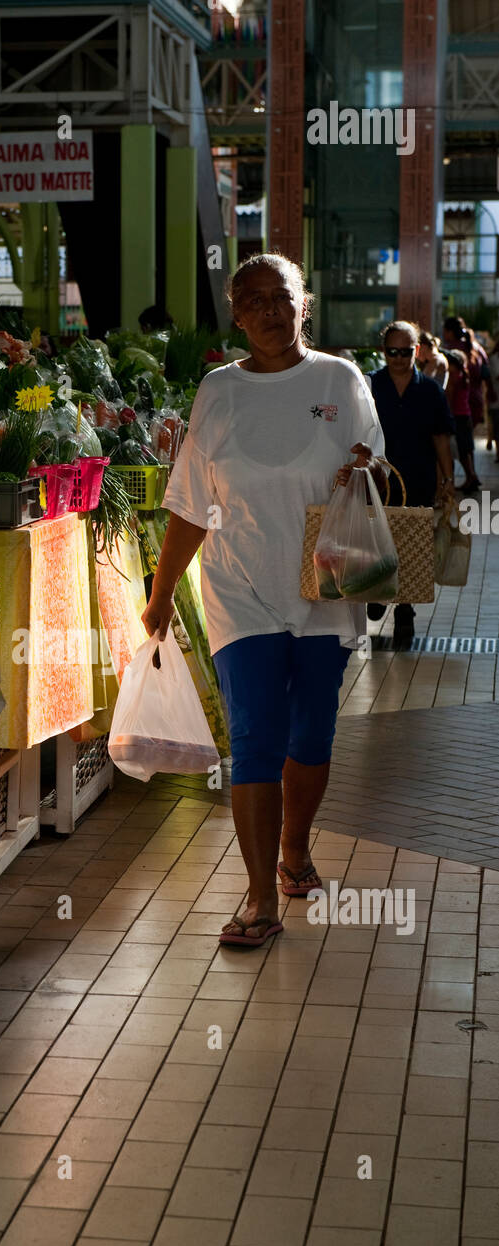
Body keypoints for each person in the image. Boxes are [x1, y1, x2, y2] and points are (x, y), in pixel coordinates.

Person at [142, 252, 386, 947]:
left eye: (279, 297)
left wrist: (363, 466)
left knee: (310, 735)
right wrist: (161, 594)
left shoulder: (340, 380)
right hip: (237, 590)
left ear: (300, 303)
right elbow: (190, 504)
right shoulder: (216, 391)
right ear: (236, 314)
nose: (268, 312)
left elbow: (373, 469)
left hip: (324, 589)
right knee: (253, 739)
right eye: (251, 300)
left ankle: (294, 849)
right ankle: (257, 899)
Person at [366, 321, 456, 646]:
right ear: (383, 351)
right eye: (393, 351)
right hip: (378, 482)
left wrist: (448, 480)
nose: (399, 358)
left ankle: (405, 614)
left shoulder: (430, 390)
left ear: (417, 352)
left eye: (406, 352)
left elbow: (441, 439)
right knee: (378, 542)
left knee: (411, 547)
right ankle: (376, 596)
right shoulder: (371, 386)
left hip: (419, 480)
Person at [445, 348, 480, 493]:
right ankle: (472, 477)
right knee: (467, 450)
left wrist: (448, 416)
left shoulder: (454, 378)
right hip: (466, 416)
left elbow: (450, 400)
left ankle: (470, 477)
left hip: (458, 417)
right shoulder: (463, 374)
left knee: (461, 451)